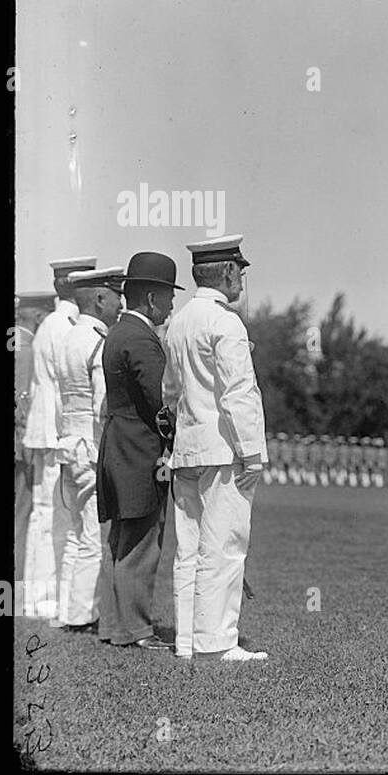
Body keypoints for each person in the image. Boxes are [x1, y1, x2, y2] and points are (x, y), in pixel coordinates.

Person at [164, 235, 268, 662]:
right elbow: (238, 393)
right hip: (224, 449)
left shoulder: (179, 322)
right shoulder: (227, 323)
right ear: (227, 271)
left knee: (189, 549)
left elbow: (171, 392)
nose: (241, 278)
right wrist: (253, 452)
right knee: (224, 547)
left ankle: (187, 640)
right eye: (239, 270)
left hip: (187, 447)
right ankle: (217, 642)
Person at [96, 252, 179, 650]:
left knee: (120, 541)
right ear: (151, 298)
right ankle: (137, 631)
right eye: (169, 297)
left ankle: (114, 625)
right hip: (140, 452)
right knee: (141, 543)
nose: (171, 305)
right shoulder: (143, 340)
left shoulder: (117, 332)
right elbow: (161, 401)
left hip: (117, 446)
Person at [22, 257, 95, 618]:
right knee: (54, 518)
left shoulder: (51, 323)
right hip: (55, 433)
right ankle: (45, 598)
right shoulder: (64, 325)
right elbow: (67, 387)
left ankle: (38, 597)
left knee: (45, 515)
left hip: (45, 431)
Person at [53, 267, 122, 631]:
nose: (120, 304)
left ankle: (69, 610)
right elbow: (103, 405)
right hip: (90, 447)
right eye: (116, 296)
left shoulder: (67, 338)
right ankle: (84, 615)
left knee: (76, 534)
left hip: (67, 445)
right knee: (93, 538)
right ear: (99, 299)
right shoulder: (98, 340)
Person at [13, 292, 54, 574]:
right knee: (20, 514)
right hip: (19, 447)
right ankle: (13, 582)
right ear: (39, 317)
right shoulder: (26, 349)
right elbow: (23, 402)